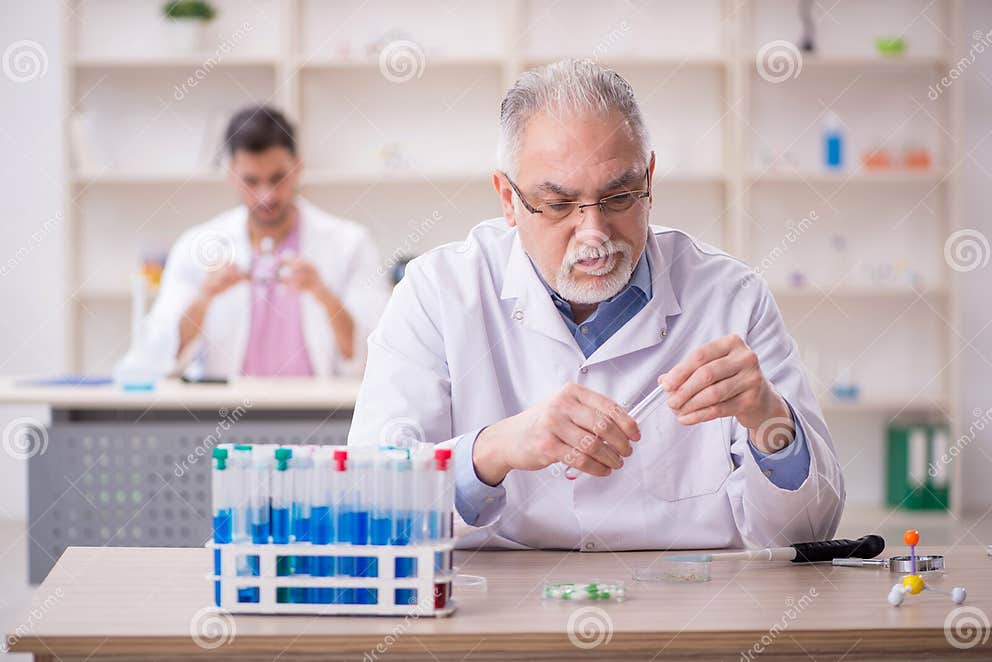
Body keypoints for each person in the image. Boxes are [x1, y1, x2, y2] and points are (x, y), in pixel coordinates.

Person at [348, 60, 844, 551]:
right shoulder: (438, 292)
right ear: (508, 198)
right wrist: (494, 449)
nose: (594, 234)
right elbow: (370, 503)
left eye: (619, 196)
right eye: (559, 205)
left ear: (649, 181)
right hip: (501, 612)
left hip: (692, 608)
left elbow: (808, 533)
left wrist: (767, 419)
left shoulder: (732, 296)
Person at [142, 105, 389, 378]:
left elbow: (377, 356)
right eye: (251, 181)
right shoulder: (195, 246)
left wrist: (324, 295)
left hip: (319, 414)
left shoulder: (351, 243)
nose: (266, 196)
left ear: (297, 167)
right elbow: (157, 356)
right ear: (231, 174)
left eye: (277, 178)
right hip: (226, 415)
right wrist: (204, 298)